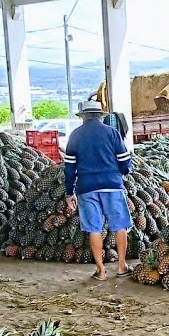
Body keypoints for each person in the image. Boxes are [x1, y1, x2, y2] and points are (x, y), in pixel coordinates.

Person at [63, 100, 133, 281]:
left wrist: (69, 192)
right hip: (112, 185)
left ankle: (101, 271)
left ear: (83, 117)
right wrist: (123, 172)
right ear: (101, 116)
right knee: (119, 225)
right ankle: (121, 266)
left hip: (87, 187)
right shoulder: (112, 133)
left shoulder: (75, 135)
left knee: (94, 228)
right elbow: (124, 161)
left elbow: (69, 168)